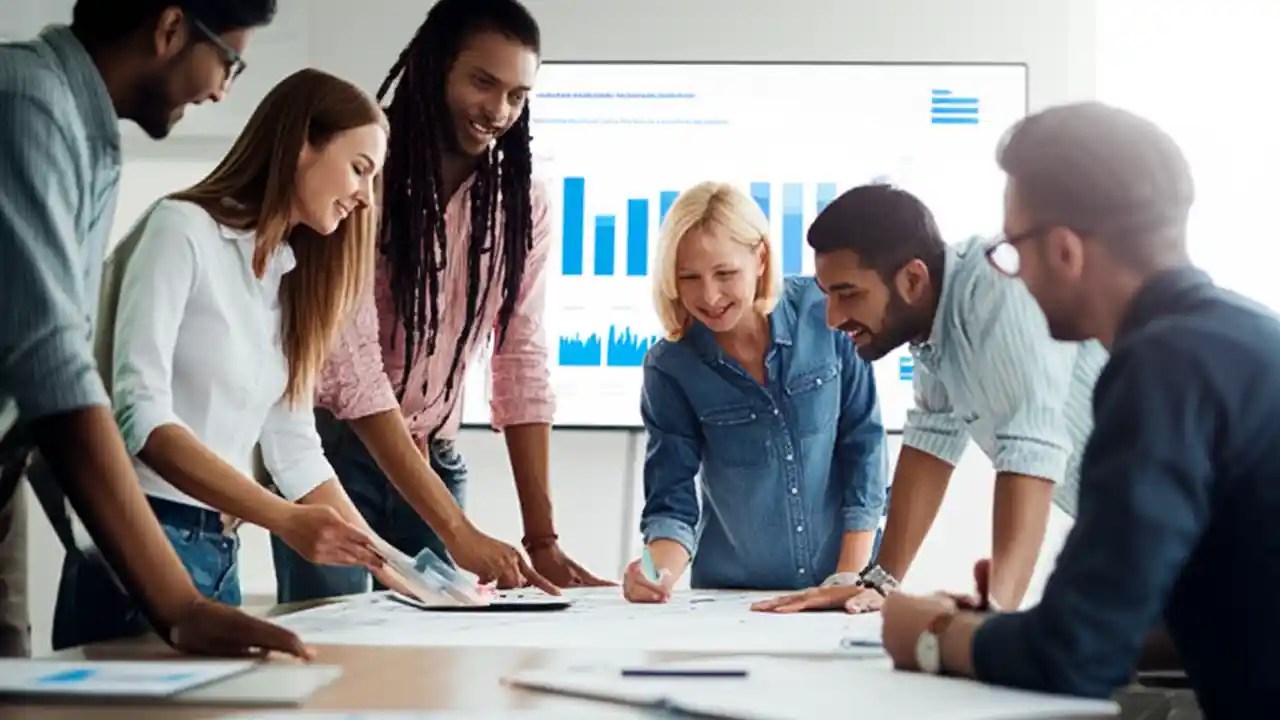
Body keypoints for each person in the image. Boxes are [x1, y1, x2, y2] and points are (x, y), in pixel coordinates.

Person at [880, 101, 1280, 717]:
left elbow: (1074, 657)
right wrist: (1004, 633)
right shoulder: (1250, 336)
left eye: (1012, 252)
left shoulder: (1160, 366)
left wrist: (931, 636)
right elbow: (1223, 615)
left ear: (1065, 252)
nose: (1011, 275)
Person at [50, 68, 416, 649]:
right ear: (300, 146)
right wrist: (284, 519)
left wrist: (392, 563)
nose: (365, 197)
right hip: (142, 551)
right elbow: (141, 419)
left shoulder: (288, 280)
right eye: (358, 169)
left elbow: (292, 444)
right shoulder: (181, 231)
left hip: (221, 555)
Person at [0, 0, 311, 658]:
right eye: (228, 60)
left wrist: (100, 552)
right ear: (170, 28)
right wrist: (179, 605)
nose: (224, 87)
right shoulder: (30, 105)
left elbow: (42, 388)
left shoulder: (90, 136)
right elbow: (51, 368)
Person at [271, 0, 607, 603]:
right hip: (331, 457)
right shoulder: (360, 175)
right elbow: (355, 374)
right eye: (483, 82)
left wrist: (542, 538)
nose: (499, 111)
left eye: (517, 95)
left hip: (436, 462)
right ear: (434, 68)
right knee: (340, 652)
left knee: (430, 665)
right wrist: (457, 529)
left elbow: (519, 360)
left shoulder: (522, 203)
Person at [753, 183, 1107, 617]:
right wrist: (879, 583)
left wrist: (993, 617)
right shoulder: (933, 324)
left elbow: (1031, 445)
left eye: (848, 293)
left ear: (913, 279)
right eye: (827, 295)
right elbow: (932, 436)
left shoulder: (996, 288)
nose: (832, 318)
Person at [620, 181, 888, 602]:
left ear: (760, 258)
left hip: (844, 586)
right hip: (734, 602)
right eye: (689, 277)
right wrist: (657, 574)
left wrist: (846, 578)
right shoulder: (669, 367)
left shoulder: (825, 313)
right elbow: (672, 502)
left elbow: (864, 447)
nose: (709, 296)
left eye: (725, 273)